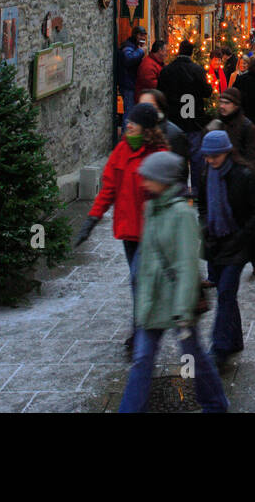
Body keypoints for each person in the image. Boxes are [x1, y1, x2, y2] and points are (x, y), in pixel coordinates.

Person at [117, 150, 229, 413]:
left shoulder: (181, 214)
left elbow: (187, 265)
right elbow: (146, 260)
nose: (144, 182)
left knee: (195, 358)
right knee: (142, 359)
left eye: (149, 178)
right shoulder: (152, 207)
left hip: (179, 305)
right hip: (153, 301)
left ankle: (216, 404)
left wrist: (183, 313)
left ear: (163, 180)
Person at [76, 102, 168, 355]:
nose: (128, 125)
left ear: (146, 129)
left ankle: (140, 334)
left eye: (134, 123)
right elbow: (108, 188)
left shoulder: (158, 154)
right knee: (138, 281)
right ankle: (143, 327)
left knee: (138, 279)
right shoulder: (121, 151)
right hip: (129, 230)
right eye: (128, 121)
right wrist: (92, 219)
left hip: (152, 231)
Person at [193, 130, 255, 370]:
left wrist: (243, 236)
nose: (210, 160)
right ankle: (234, 340)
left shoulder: (244, 176)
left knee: (224, 292)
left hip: (238, 245)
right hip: (215, 242)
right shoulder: (206, 175)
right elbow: (202, 204)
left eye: (214, 156)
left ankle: (219, 348)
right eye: (207, 156)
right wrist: (205, 225)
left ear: (226, 152)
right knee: (227, 295)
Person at [211, 86, 255, 277]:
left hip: (241, 182)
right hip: (220, 180)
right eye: (221, 102)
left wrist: (250, 179)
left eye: (227, 103)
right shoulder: (217, 124)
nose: (222, 106)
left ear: (236, 105)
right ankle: (214, 271)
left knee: (247, 226)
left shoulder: (247, 127)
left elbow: (254, 157)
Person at [158, 39, 213, 135]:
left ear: (179, 51)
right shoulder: (198, 70)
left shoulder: (167, 70)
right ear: (191, 53)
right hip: (193, 118)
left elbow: (160, 92)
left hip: (173, 118)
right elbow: (207, 92)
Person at [116, 26, 147, 113]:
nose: (143, 38)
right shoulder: (128, 46)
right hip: (128, 83)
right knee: (129, 112)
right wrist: (141, 51)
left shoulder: (134, 46)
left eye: (144, 36)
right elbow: (128, 59)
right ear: (135, 35)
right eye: (140, 35)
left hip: (130, 83)